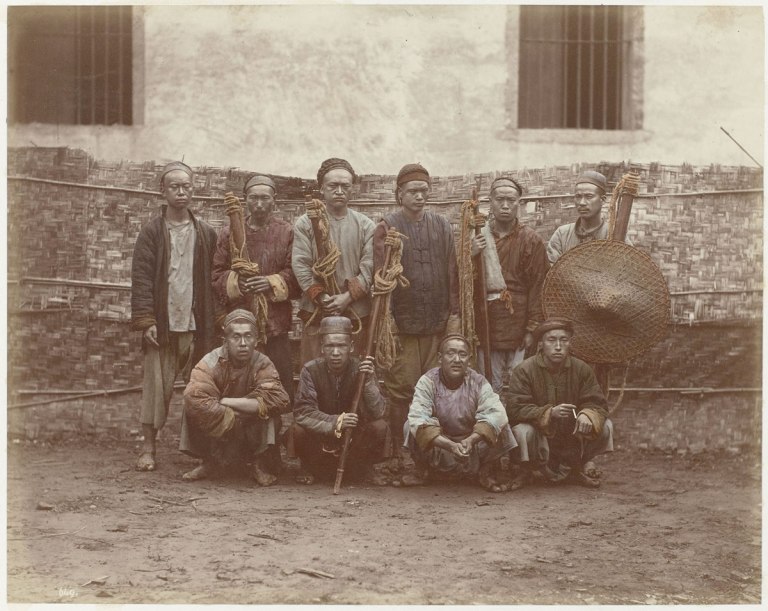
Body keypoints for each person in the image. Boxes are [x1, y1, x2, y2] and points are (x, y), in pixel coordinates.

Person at [130, 161, 218, 472]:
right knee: (156, 387)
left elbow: (215, 279)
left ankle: (201, 452)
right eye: (174, 187)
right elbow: (141, 278)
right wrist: (146, 320)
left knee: (200, 389)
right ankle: (148, 447)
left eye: (186, 186)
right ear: (163, 191)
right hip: (163, 326)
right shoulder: (152, 232)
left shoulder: (206, 233)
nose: (181, 192)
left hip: (196, 326)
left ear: (193, 190)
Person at [373, 163, 460, 468]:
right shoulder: (388, 227)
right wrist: (389, 322)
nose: (419, 196)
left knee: (435, 388)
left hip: (436, 324)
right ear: (399, 194)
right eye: (412, 191)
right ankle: (399, 451)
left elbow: (452, 272)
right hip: (403, 327)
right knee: (402, 390)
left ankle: (430, 453)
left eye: (424, 191)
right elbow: (381, 278)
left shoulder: (441, 226)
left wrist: (454, 315)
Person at [212, 174, 300, 404]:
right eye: (253, 198)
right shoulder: (229, 233)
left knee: (277, 383)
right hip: (240, 321)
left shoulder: (287, 233)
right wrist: (236, 283)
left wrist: (271, 282)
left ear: (274, 200)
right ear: (245, 200)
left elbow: (296, 273)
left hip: (275, 324)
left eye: (264, 198)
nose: (259, 204)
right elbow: (217, 273)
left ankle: (276, 433)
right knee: (240, 385)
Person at [179, 309, 290, 484]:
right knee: (190, 407)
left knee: (270, 413)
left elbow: (279, 398)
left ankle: (258, 464)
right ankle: (209, 461)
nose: (243, 343)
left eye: (248, 336)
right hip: (220, 422)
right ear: (225, 341)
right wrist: (236, 412)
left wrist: (227, 402)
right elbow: (195, 395)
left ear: (256, 339)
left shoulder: (263, 363)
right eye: (236, 337)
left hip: (249, 424)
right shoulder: (210, 362)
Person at [505, 318, 614, 488]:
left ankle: (576, 469)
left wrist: (587, 414)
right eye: (551, 340)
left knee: (605, 426)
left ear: (570, 343)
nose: (558, 346)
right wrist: (548, 413)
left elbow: (597, 402)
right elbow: (514, 408)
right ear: (541, 344)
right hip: (540, 436)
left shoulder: (582, 369)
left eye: (564, 340)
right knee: (521, 431)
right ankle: (525, 471)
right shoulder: (524, 370)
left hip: (571, 435)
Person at [406, 334, 517, 492]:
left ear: (469, 360)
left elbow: (495, 413)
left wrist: (471, 440)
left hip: (472, 445)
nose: (457, 359)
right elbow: (418, 417)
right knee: (410, 426)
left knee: (501, 423)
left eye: (462, 354)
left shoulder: (478, 381)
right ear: (440, 358)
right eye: (450, 353)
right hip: (442, 444)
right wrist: (449, 445)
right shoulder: (428, 381)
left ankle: (485, 472)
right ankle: (423, 471)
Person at [291, 158, 374, 364]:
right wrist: (322, 297)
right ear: (322, 189)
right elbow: (300, 263)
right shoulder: (306, 223)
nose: (339, 191)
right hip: (318, 310)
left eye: (345, 186)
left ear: (352, 189)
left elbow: (370, 266)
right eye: (333, 186)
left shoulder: (365, 225)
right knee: (314, 370)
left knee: (352, 372)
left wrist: (348, 297)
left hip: (355, 312)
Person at [471, 176, 549, 392]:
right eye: (499, 199)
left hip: (519, 323)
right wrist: (471, 255)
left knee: (521, 386)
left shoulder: (531, 240)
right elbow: (463, 284)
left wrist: (532, 328)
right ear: (490, 202)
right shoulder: (478, 238)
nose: (505, 205)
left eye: (511, 200)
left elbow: (539, 287)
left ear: (519, 204)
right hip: (487, 324)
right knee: (488, 387)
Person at [291, 316, 389, 485]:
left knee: (380, 427)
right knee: (297, 430)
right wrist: (336, 421)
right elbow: (302, 412)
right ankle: (308, 466)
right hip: (321, 436)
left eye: (341, 346)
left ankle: (365, 468)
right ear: (322, 348)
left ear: (350, 347)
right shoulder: (310, 370)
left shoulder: (362, 369)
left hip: (353, 440)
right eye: (330, 346)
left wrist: (368, 382)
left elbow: (379, 411)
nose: (335, 353)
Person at [547, 170, 617, 264]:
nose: (582, 203)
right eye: (578, 196)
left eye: (589, 196)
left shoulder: (614, 235)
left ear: (603, 200)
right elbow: (552, 273)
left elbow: (631, 272)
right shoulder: (562, 235)